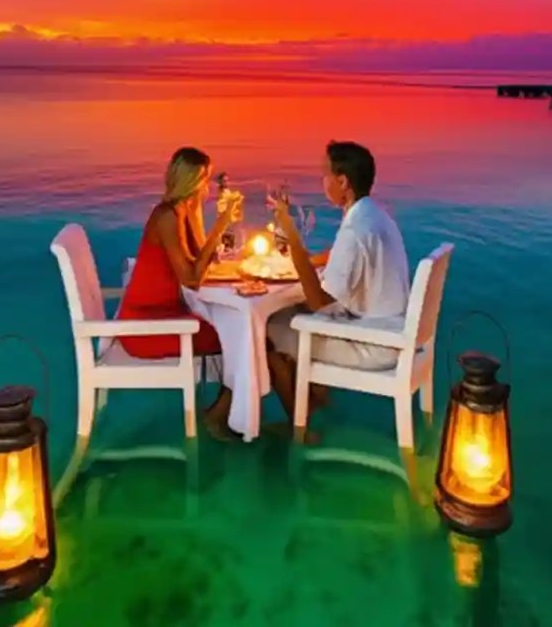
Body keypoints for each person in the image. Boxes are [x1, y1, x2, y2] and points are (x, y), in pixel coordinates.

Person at [265, 140, 411, 436]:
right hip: (392, 328)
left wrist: (292, 236)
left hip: (373, 344)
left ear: (342, 181)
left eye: (326, 175)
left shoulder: (356, 228)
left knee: (267, 331)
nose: (323, 181)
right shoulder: (375, 215)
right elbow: (342, 255)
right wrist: (309, 259)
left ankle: (300, 428)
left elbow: (319, 301)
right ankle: (317, 398)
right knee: (294, 313)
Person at [118, 147, 240, 358]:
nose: (207, 187)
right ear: (192, 182)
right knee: (239, 336)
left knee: (238, 331)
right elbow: (192, 279)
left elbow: (201, 257)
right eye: (205, 181)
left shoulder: (183, 210)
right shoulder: (167, 217)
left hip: (168, 315)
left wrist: (197, 208)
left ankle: (231, 390)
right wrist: (221, 225)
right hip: (146, 327)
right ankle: (232, 391)